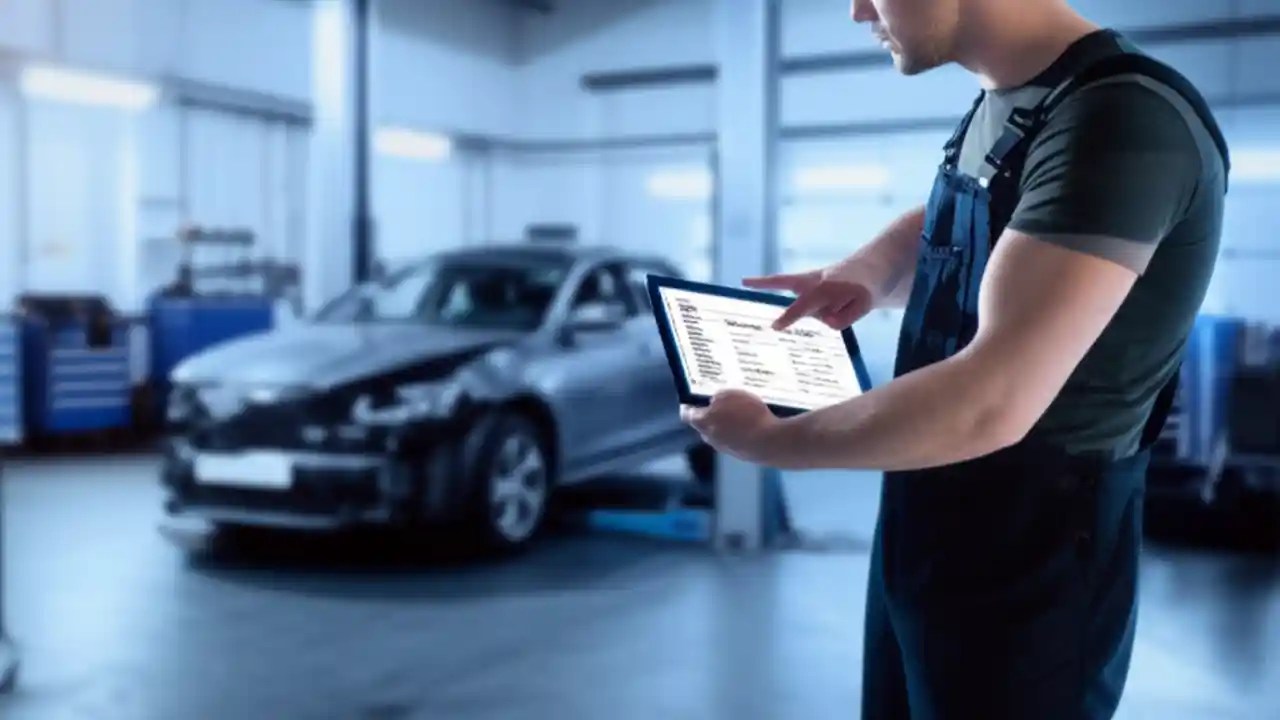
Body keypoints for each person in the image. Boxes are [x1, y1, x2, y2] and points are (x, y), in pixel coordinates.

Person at [680, 0, 1230, 718]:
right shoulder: (1014, 100)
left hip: (1034, 549)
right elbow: (976, 219)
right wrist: (866, 274)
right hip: (933, 508)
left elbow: (992, 401)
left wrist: (775, 442)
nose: (856, 11)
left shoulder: (1123, 121)